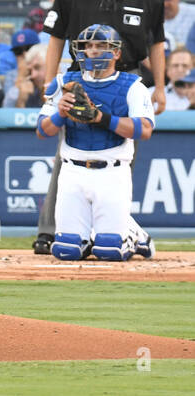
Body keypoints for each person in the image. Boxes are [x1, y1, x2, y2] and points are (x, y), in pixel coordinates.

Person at [31, 0, 166, 253]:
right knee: (70, 152)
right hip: (79, 76)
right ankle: (51, 230)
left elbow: (157, 42)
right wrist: (51, 82)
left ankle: (120, 230)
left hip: (128, 74)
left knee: (121, 156)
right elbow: (56, 37)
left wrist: (159, 87)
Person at [37, 24, 155, 261]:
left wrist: (101, 118)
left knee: (109, 250)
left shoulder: (133, 86)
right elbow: (42, 130)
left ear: (116, 52)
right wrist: (61, 112)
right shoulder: (63, 83)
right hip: (72, 170)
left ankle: (134, 234)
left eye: (101, 46)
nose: (93, 51)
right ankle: (92, 233)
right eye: (87, 46)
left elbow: (144, 129)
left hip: (112, 172)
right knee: (66, 250)